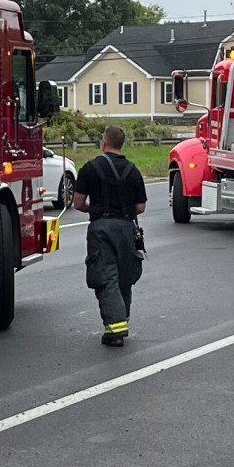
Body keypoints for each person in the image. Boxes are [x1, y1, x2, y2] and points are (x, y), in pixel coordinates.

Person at [71, 126, 147, 346]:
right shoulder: (133, 170)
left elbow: (78, 203)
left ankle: (115, 331)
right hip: (126, 229)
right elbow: (140, 207)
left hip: (101, 229)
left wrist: (96, 210)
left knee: (106, 277)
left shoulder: (90, 168)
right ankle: (122, 321)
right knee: (124, 277)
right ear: (121, 143)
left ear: (104, 142)